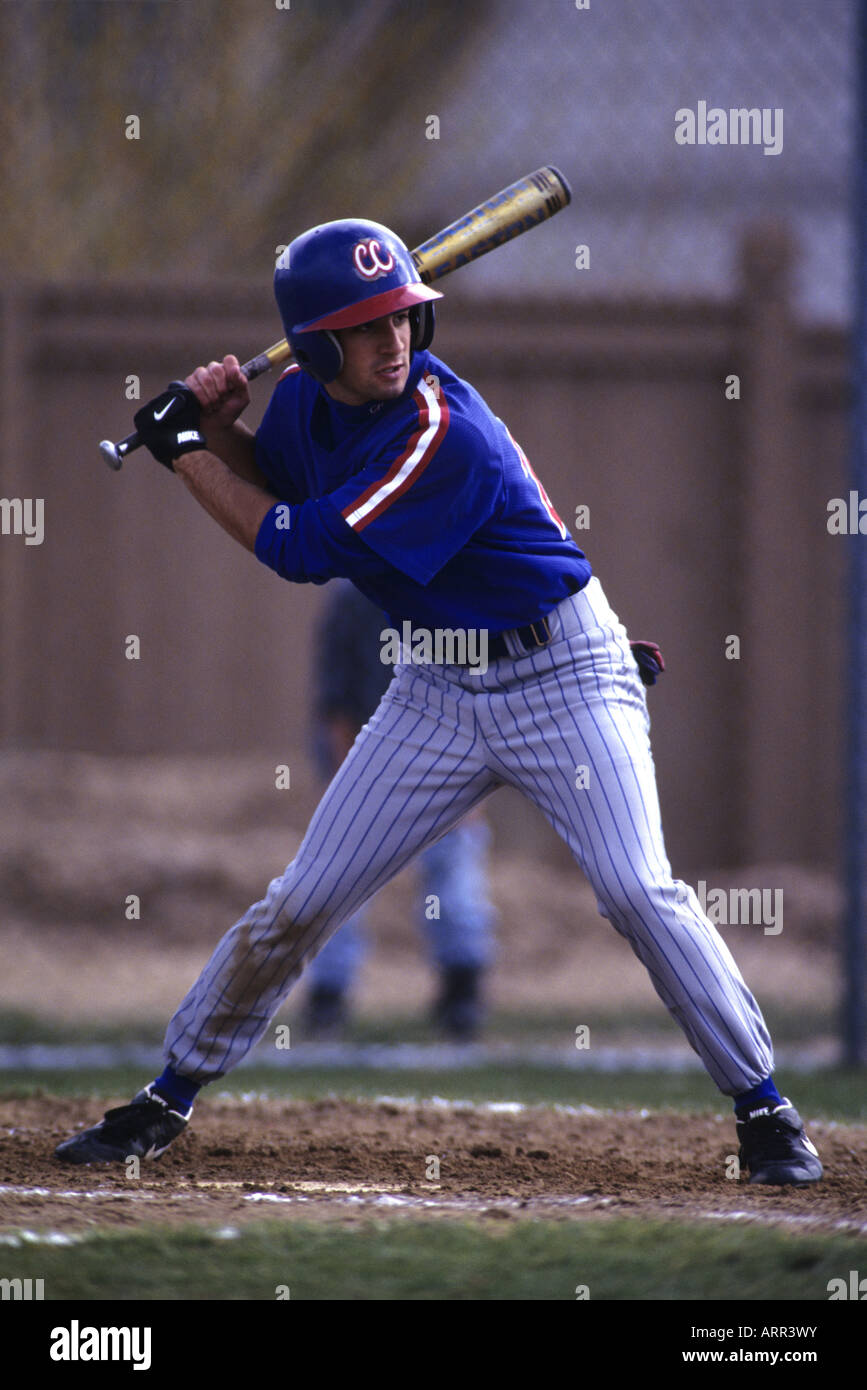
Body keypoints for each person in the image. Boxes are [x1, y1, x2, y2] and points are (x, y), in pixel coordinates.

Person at [56, 218, 822, 1185]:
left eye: (408, 319)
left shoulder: (438, 430)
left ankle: (766, 1113)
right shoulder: (299, 405)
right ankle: (164, 1099)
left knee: (637, 890)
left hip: (564, 675)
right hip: (434, 686)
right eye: (369, 327)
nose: (396, 342)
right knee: (301, 902)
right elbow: (278, 482)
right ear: (318, 345)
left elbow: (297, 548)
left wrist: (181, 455)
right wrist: (211, 431)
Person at [305, 578, 495, 1040]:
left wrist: (475, 780)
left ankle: (461, 994)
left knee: (455, 882)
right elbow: (336, 699)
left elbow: (480, 691)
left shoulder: (453, 589)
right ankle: (328, 999)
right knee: (339, 886)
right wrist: (346, 780)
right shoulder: (354, 598)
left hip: (444, 763)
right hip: (369, 763)